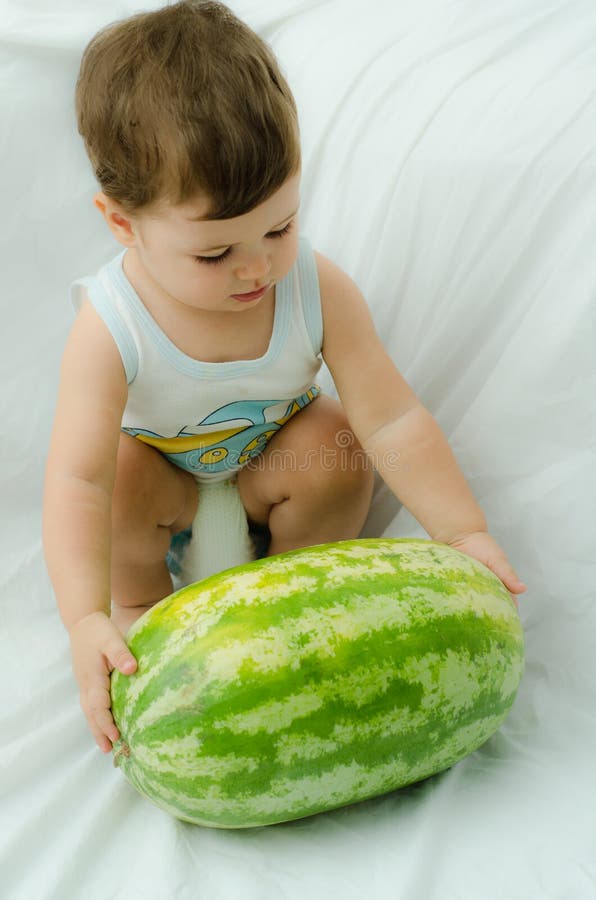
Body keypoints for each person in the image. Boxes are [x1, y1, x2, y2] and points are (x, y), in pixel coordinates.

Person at [42, 0, 526, 756]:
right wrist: (84, 616)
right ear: (121, 224)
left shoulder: (314, 286)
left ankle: (294, 589)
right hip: (164, 497)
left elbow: (392, 420)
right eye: (215, 253)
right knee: (120, 473)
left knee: (337, 438)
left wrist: (462, 530)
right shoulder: (110, 325)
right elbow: (77, 483)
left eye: (280, 226)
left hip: (278, 480)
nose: (258, 267)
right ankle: (139, 612)